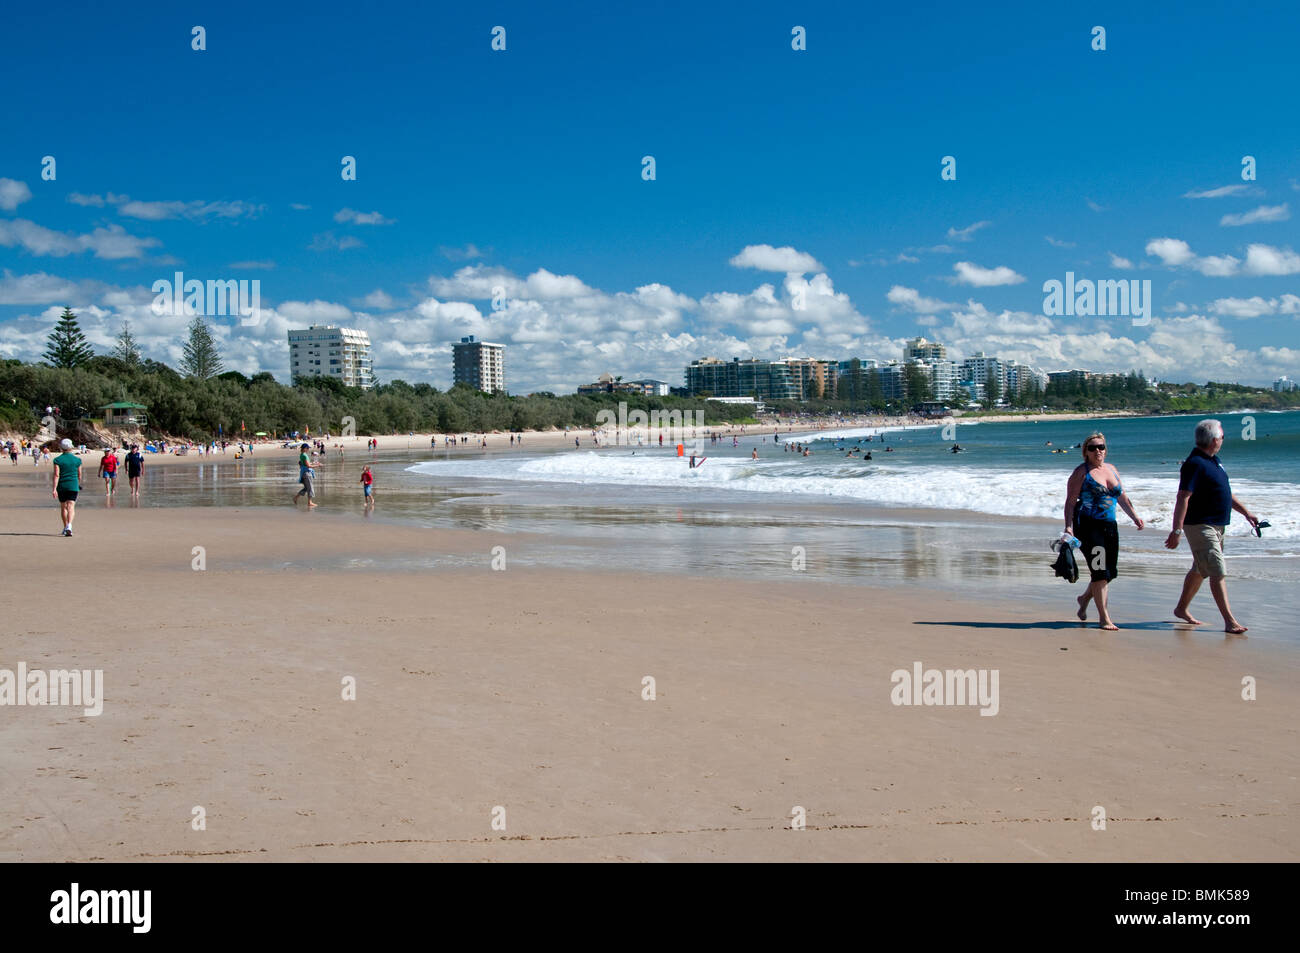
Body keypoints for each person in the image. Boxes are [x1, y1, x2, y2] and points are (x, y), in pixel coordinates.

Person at [1164, 419, 1258, 634]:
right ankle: (1230, 621)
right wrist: (1176, 530)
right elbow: (1182, 497)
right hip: (1200, 525)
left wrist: (1247, 513)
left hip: (1217, 525)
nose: (1223, 440)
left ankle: (1181, 609)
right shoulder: (1194, 464)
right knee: (1218, 571)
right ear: (1214, 439)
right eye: (1222, 437)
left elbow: (1226, 492)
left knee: (1200, 569)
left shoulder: (1214, 461)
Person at [1064, 432, 1144, 630]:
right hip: (1088, 528)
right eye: (1092, 448)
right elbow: (1070, 502)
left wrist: (1135, 516)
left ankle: (1083, 599)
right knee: (1099, 572)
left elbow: (1122, 497)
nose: (1097, 451)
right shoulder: (1081, 473)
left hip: (1109, 527)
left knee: (1109, 573)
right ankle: (1104, 618)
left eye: (1101, 447)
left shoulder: (1112, 469)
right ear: (1086, 452)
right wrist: (1068, 526)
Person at [51, 439, 81, 536]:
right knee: (71, 506)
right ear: (71, 447)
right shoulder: (77, 460)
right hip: (73, 485)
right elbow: (79, 475)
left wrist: (54, 488)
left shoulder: (58, 460)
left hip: (62, 486)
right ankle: (69, 525)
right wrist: (77, 483)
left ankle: (65, 527)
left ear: (61, 448)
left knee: (63, 507)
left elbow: (56, 475)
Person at [295, 442, 318, 508]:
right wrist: (317, 465)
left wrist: (313, 463)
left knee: (306, 488)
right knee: (310, 488)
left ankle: (296, 498)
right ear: (304, 448)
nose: (308, 449)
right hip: (307, 473)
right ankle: (309, 502)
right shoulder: (304, 455)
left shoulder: (302, 455)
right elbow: (308, 465)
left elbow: (302, 463)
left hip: (304, 473)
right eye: (307, 448)